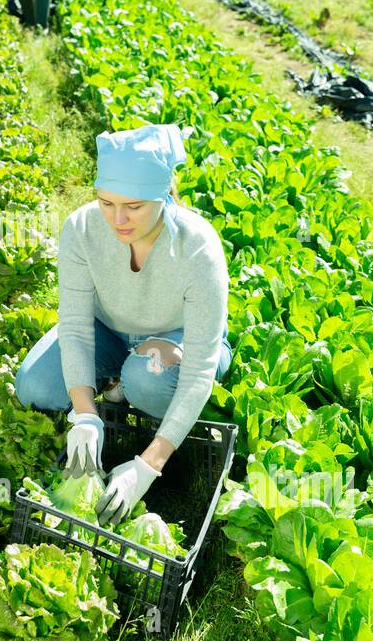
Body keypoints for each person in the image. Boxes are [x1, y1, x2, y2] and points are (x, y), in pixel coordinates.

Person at [14, 122, 232, 525]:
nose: (118, 219)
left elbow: (199, 368)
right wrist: (84, 413)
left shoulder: (198, 247)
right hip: (109, 330)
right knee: (35, 386)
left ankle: (127, 387)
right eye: (106, 202)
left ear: (164, 194)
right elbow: (76, 326)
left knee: (148, 382)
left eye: (133, 207)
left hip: (176, 338)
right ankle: (110, 390)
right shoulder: (82, 229)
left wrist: (149, 465)